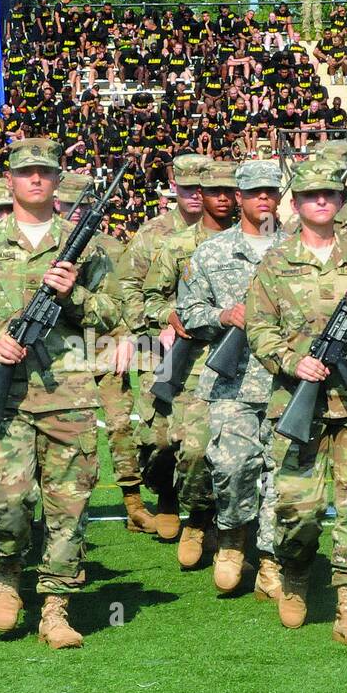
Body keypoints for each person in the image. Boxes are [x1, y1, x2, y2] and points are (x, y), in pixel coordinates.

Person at [0, 138, 123, 648]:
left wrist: (73, 294)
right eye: (26, 172)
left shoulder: (86, 247)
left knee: (69, 507)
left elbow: (114, 315)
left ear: (58, 181)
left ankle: (56, 607)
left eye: (45, 172)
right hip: (7, 398)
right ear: (9, 181)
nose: (36, 179)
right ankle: (8, 572)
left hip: (69, 395)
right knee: (7, 500)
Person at [245, 160, 347, 646]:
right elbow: (258, 328)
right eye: (312, 195)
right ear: (297, 205)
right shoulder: (275, 261)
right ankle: (294, 571)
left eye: (331, 194)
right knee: (297, 508)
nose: (322, 201)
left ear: (342, 201)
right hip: (297, 398)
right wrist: (292, 362)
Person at [176, 160, 286, 598]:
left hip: (287, 382)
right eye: (255, 191)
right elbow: (188, 311)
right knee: (232, 466)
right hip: (233, 383)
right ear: (239, 197)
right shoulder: (213, 252)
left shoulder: (297, 249)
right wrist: (223, 315)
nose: (264, 198)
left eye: (271, 191)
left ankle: (272, 559)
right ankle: (232, 536)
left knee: (283, 475)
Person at [143, 161, 238, 568]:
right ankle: (195, 512)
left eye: (228, 190)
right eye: (211, 189)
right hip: (193, 361)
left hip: (252, 362)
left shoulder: (267, 244)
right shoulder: (178, 246)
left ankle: (225, 529)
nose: (219, 197)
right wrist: (168, 316)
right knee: (188, 449)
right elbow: (146, 297)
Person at [54, 171, 156, 534]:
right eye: (69, 205)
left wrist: (129, 336)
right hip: (59, 356)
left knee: (118, 426)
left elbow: (127, 297)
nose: (77, 212)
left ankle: (134, 503)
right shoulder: (46, 246)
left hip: (105, 346)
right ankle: (55, 512)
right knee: (63, 435)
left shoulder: (112, 248)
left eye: (83, 204)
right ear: (58, 204)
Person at [118, 152, 209, 540]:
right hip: (160, 351)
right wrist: (156, 325)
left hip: (209, 352)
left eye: (201, 189)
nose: (195, 196)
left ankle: (204, 513)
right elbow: (128, 289)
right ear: (174, 186)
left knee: (201, 436)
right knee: (157, 436)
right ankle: (166, 497)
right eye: (187, 188)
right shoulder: (153, 234)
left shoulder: (227, 233)